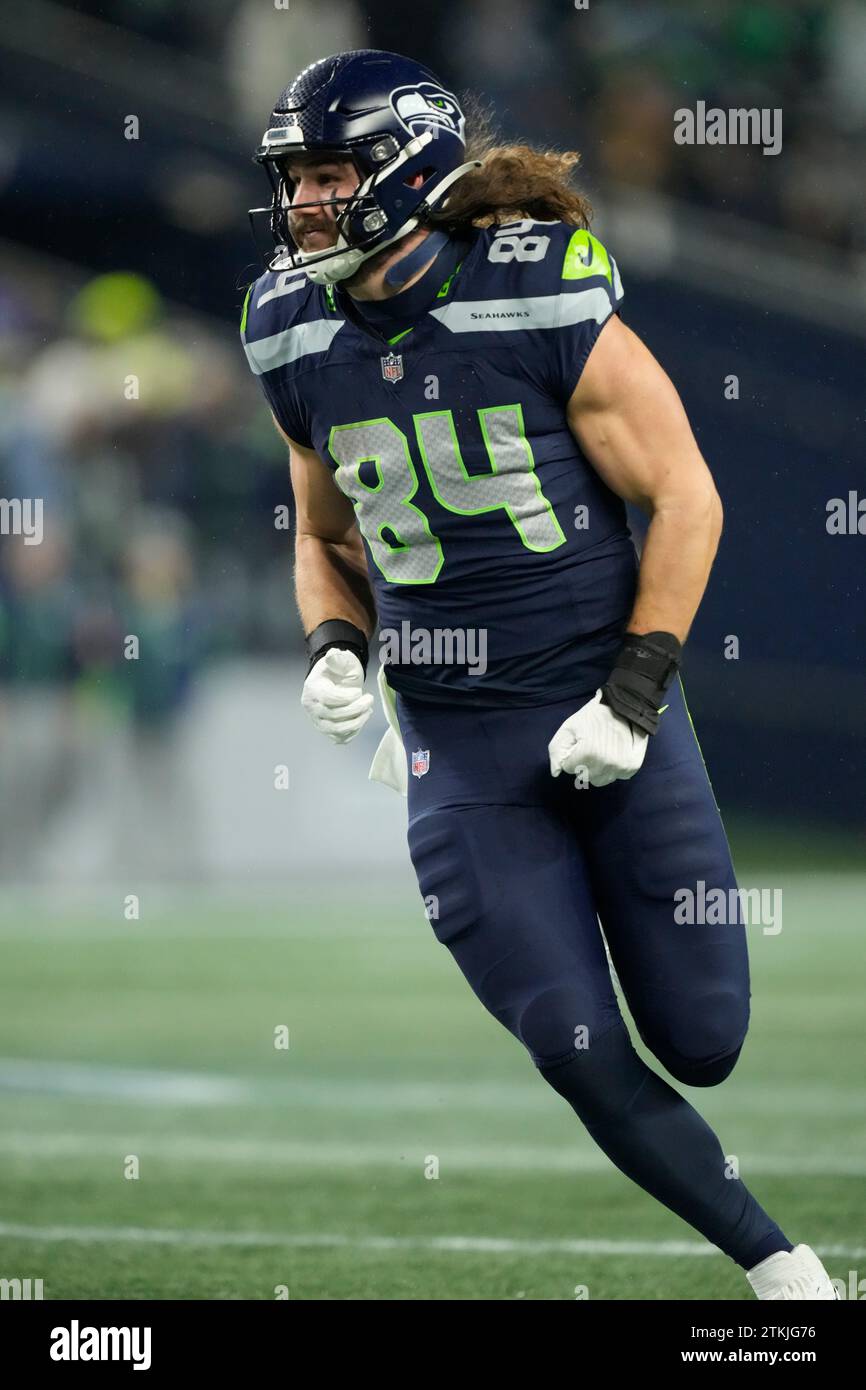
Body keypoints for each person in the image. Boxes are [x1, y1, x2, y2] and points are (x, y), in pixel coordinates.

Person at [240, 48, 837, 1301]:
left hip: (606, 707)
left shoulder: (533, 290)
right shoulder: (288, 326)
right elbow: (324, 533)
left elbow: (686, 496)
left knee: (704, 1037)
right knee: (570, 1041)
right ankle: (778, 1267)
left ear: (400, 174)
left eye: (326, 175)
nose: (299, 204)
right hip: (459, 749)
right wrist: (335, 641)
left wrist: (632, 694)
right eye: (290, 179)